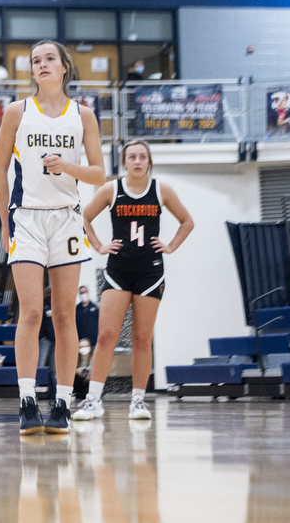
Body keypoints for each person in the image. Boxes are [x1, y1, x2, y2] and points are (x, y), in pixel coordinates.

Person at [0, 40, 106, 437]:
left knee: (64, 315)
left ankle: (61, 403)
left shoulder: (83, 115)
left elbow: (99, 175)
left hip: (66, 221)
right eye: (35, 60)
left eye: (48, 59)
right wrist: (6, 223)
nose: (41, 64)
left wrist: (67, 165)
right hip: (26, 219)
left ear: (64, 67)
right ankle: (26, 401)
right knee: (29, 313)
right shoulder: (17, 112)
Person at [75, 140, 193, 423]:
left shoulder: (161, 190)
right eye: (132, 157)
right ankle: (93, 400)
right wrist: (100, 246)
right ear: (124, 162)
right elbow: (85, 217)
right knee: (106, 336)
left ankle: (138, 400)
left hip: (150, 272)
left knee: (142, 338)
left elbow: (187, 221)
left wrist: (171, 246)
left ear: (148, 161)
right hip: (118, 269)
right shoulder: (111, 189)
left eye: (142, 156)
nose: (137, 161)